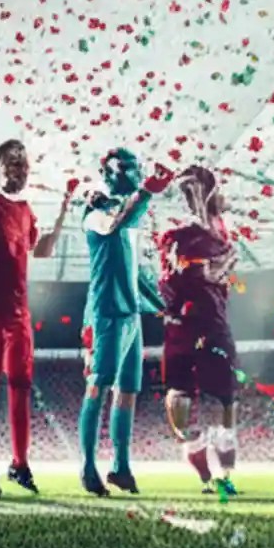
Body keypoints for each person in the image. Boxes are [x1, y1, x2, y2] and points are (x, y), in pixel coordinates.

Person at [0, 139, 73, 497]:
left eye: (24, 164)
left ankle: (19, 463)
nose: (20, 169)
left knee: (22, 387)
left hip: (18, 310)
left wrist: (63, 211)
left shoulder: (26, 210)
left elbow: (40, 249)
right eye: (12, 164)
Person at [79, 148, 174, 497]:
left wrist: (165, 306)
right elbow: (117, 219)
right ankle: (87, 467)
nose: (132, 172)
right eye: (125, 167)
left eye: (136, 168)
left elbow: (136, 275)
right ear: (106, 171)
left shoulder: (129, 220)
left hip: (130, 312)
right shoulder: (95, 214)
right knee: (99, 385)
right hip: (107, 311)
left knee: (128, 391)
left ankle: (120, 466)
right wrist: (147, 191)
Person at [158, 165, 239, 496]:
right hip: (181, 326)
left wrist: (215, 267)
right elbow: (189, 275)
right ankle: (206, 476)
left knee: (224, 401)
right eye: (184, 189)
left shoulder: (221, 235)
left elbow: (215, 267)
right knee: (180, 399)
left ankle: (226, 475)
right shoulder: (174, 235)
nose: (188, 195)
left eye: (194, 187)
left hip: (213, 324)